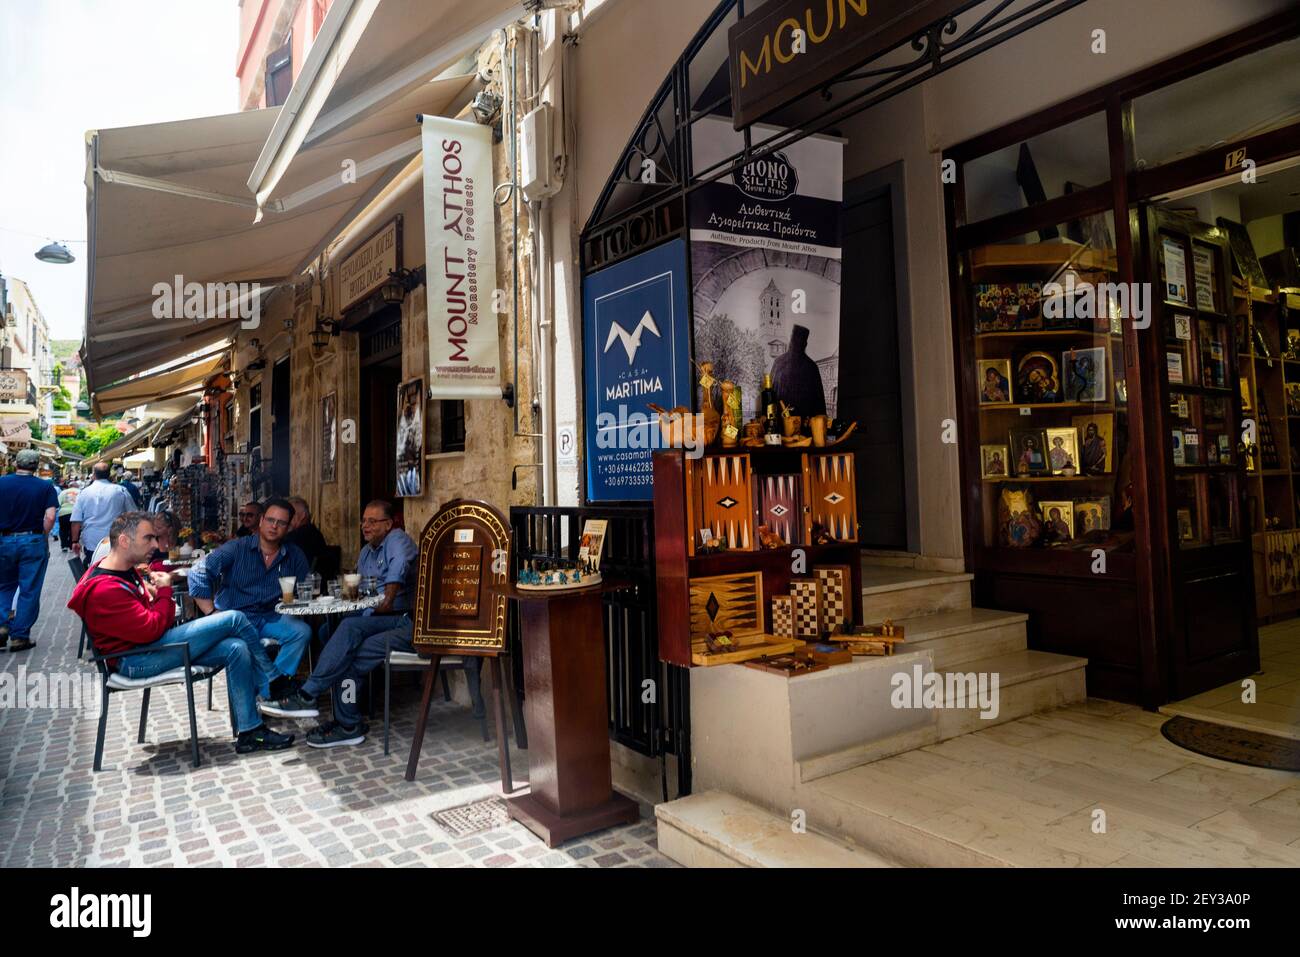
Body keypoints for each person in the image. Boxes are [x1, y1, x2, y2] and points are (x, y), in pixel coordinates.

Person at [66, 512, 294, 754]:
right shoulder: (106, 589)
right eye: (148, 538)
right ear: (124, 541)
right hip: (136, 660)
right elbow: (153, 629)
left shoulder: (124, 569)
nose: (155, 544)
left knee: (236, 648)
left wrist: (151, 594)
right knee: (235, 618)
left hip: (147, 648)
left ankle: (250, 732)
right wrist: (164, 592)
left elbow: (144, 615)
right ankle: (272, 678)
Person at [261, 500, 425, 747]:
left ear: (389, 524)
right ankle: (347, 722)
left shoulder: (396, 539)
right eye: (363, 521)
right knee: (337, 641)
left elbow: (399, 565)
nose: (365, 526)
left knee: (347, 632)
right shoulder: (367, 551)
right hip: (374, 620)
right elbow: (357, 585)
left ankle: (309, 695)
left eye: (373, 521)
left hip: (402, 619)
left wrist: (388, 598)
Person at [186, 497, 314, 709]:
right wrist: (211, 614)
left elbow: (306, 587)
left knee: (301, 631)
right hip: (235, 619)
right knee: (244, 644)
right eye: (271, 520)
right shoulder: (236, 548)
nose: (274, 526)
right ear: (261, 520)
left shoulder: (294, 555)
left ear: (289, 527)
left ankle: (267, 693)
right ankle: (271, 690)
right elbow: (198, 572)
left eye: (281, 523)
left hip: (269, 616)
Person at [0, 449, 59, 653]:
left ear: (16, 463)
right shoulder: (45, 487)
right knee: (29, 589)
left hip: (4, 540)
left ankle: (1, 625)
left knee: (4, 586)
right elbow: (50, 517)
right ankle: (19, 636)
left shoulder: (1, 483)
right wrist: (40, 535)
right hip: (32, 539)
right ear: (35, 466)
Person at [70, 461, 135, 560]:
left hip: (92, 541)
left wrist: (75, 541)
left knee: (94, 569)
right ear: (109, 474)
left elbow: (76, 520)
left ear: (94, 475)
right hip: (116, 540)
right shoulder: (120, 490)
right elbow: (133, 515)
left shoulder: (84, 493)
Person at [771, 324, 827, 419]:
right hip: (782, 423)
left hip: (802, 425)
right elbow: (770, 393)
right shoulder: (778, 363)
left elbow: (819, 404)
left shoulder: (811, 367)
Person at [284, 496, 328, 572]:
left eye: (291, 515)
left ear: (303, 515)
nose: (287, 519)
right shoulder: (312, 531)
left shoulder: (303, 534)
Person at [56, 481, 78, 551]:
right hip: (76, 513)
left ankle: (64, 546)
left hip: (64, 514)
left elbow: (58, 503)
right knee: (74, 529)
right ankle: (72, 545)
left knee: (63, 530)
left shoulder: (63, 492)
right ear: (77, 486)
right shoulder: (80, 491)